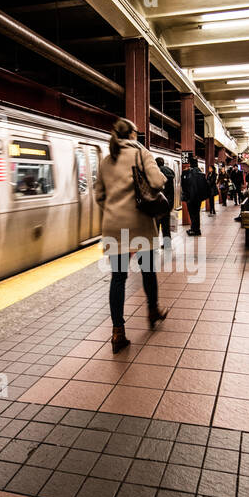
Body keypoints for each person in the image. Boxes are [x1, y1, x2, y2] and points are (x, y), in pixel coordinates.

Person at [95, 118, 168, 353]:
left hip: (114, 227)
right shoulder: (141, 153)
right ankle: (153, 310)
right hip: (139, 225)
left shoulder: (106, 161)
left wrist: (113, 211)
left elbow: (99, 196)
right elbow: (158, 181)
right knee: (148, 271)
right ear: (133, 135)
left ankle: (118, 332)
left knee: (118, 279)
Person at [182, 157, 208, 236]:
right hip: (198, 197)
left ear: (190, 164)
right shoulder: (201, 173)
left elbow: (185, 185)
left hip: (191, 197)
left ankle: (194, 230)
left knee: (192, 214)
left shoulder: (188, 173)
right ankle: (196, 229)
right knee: (196, 213)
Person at [155, 156, 175, 250]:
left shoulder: (157, 173)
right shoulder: (170, 174)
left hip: (158, 203)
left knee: (156, 225)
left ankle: (154, 245)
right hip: (167, 204)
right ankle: (167, 244)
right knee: (166, 226)